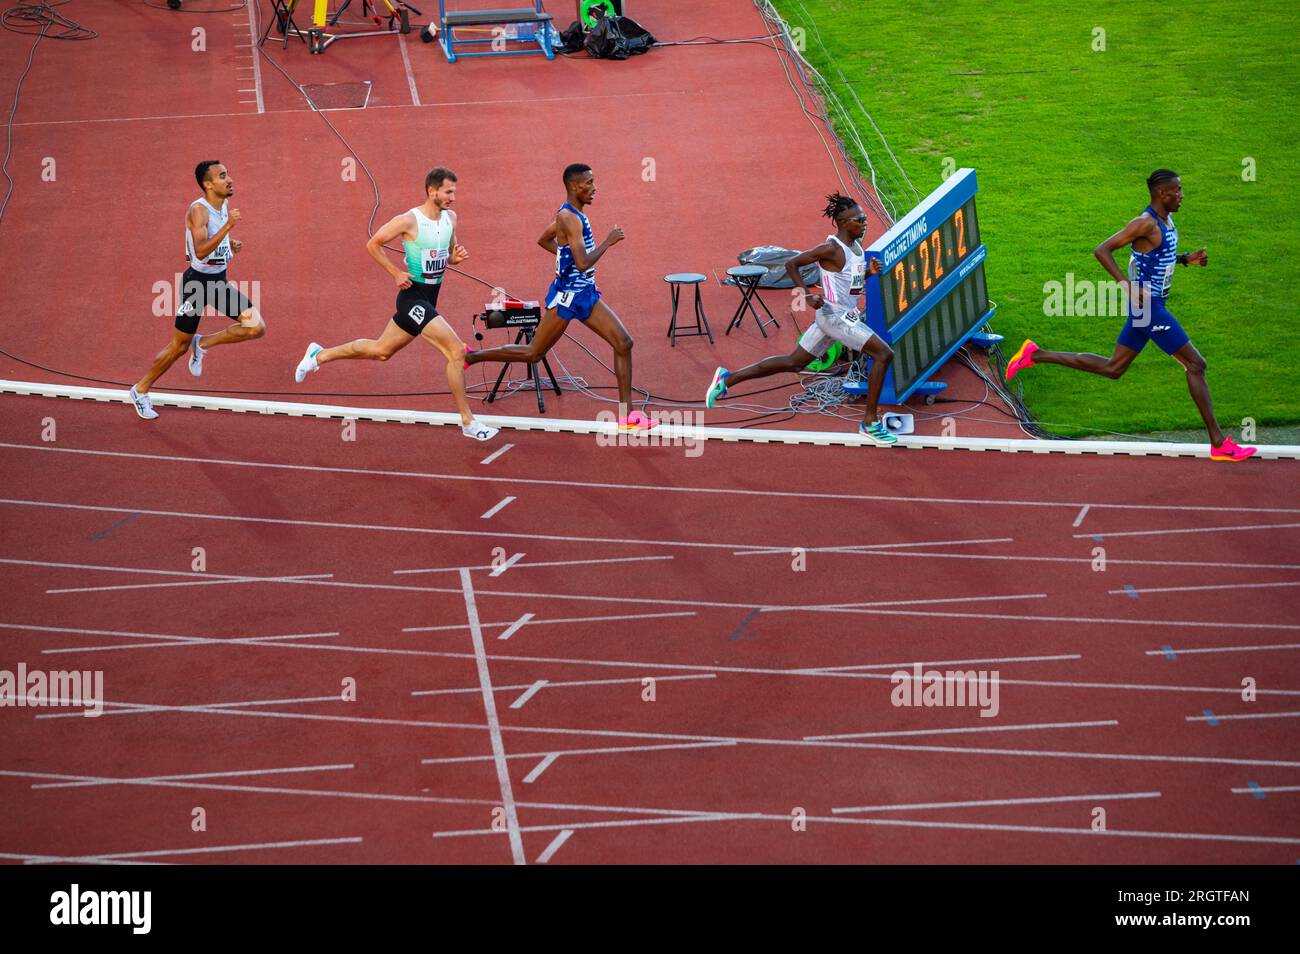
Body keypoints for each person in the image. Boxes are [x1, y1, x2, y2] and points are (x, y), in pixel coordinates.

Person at [1007, 169, 1255, 461]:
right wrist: (1126, 285)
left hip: (1149, 307)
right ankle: (1218, 443)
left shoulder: (1165, 220)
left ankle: (1035, 354)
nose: (1182, 195)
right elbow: (1102, 250)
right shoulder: (1144, 223)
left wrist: (1184, 260)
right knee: (1196, 365)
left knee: (1114, 368)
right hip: (1149, 308)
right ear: (1162, 193)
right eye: (1177, 190)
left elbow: (1153, 255)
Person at [293, 166, 498, 442]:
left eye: (454, 192)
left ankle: (319, 355)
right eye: (449, 192)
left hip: (430, 298)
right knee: (456, 351)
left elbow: (447, 254)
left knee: (381, 351)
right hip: (412, 298)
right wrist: (396, 273)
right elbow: (373, 244)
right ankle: (468, 421)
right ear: (432, 191)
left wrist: (454, 259)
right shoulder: (408, 221)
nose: (453, 197)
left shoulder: (451, 218)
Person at [465, 163, 658, 431]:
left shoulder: (570, 215)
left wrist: (562, 256)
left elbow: (544, 240)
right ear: (573, 186)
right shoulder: (569, 218)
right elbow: (582, 263)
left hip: (585, 295)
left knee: (624, 343)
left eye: (593, 181)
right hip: (568, 298)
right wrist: (608, 242)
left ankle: (627, 416)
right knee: (534, 353)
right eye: (588, 183)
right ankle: (473, 357)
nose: (594, 188)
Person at [705, 193, 897, 444]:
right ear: (842, 221)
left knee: (794, 362)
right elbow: (792, 264)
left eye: (864, 219)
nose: (864, 222)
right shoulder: (830, 248)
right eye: (859, 219)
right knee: (884, 354)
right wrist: (806, 295)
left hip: (838, 317)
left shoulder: (857, 248)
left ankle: (727, 379)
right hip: (833, 317)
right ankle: (869, 423)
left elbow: (850, 286)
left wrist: (869, 274)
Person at [129, 160, 265, 419]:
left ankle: (202, 343)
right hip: (197, 285)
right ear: (208, 184)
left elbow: (209, 242)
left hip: (217, 282)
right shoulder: (198, 211)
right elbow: (200, 250)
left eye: (228, 174)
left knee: (255, 327)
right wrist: (228, 228)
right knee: (178, 347)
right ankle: (140, 390)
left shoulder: (222, 204)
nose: (230, 179)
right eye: (223, 176)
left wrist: (228, 243)